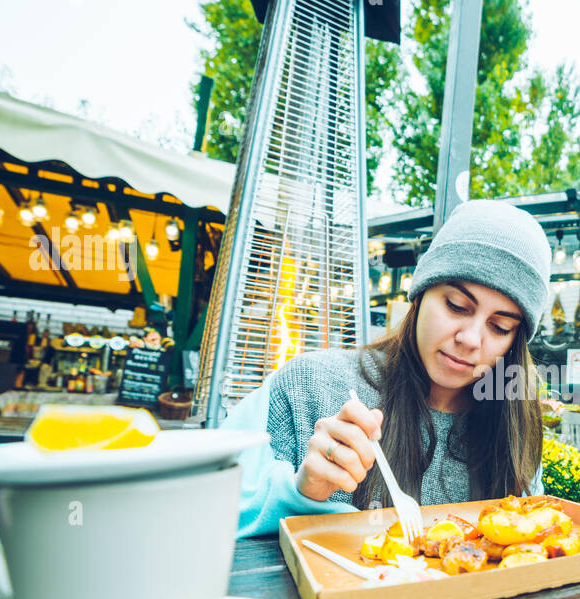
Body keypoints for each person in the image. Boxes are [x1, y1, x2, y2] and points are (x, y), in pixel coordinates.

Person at [224, 199, 552, 538]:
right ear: (420, 294)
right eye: (456, 306)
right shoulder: (309, 386)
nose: (470, 339)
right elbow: (197, 512)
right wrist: (300, 492)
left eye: (500, 326)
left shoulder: (513, 424)